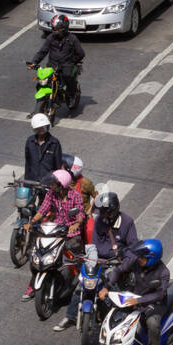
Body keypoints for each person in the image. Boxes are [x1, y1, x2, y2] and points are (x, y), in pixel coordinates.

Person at [54, 189, 139, 332]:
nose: (100, 214)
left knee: (111, 286)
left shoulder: (127, 222)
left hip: (116, 263)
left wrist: (123, 264)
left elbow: (133, 248)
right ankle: (71, 315)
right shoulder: (99, 220)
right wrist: (90, 261)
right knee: (82, 284)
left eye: (103, 211)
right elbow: (94, 243)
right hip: (98, 260)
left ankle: (117, 317)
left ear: (112, 211)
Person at [99, 238, 170, 345]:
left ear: (152, 257)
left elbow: (160, 294)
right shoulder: (136, 262)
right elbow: (118, 270)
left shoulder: (163, 272)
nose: (139, 259)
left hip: (154, 303)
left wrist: (138, 300)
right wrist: (107, 286)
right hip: (135, 298)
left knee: (152, 323)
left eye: (142, 257)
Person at [22, 169, 85, 300]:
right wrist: (32, 222)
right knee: (38, 253)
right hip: (55, 230)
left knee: (71, 259)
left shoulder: (75, 196)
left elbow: (80, 214)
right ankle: (33, 284)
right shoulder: (51, 194)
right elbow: (42, 210)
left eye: (54, 183)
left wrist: (75, 225)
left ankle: (78, 282)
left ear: (62, 185)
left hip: (71, 233)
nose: (51, 185)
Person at [28, 13, 85, 112]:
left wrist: (71, 62)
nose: (55, 32)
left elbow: (80, 53)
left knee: (67, 76)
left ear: (64, 28)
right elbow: (43, 51)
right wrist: (34, 62)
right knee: (41, 82)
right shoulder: (50, 38)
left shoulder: (72, 39)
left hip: (67, 66)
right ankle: (37, 108)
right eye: (54, 29)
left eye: (57, 30)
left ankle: (72, 95)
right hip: (52, 66)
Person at [23, 112, 63, 186]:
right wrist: (26, 183)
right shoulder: (30, 141)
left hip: (48, 183)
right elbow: (28, 163)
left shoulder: (54, 143)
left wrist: (57, 183)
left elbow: (58, 165)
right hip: (33, 181)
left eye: (43, 127)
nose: (42, 130)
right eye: (39, 128)